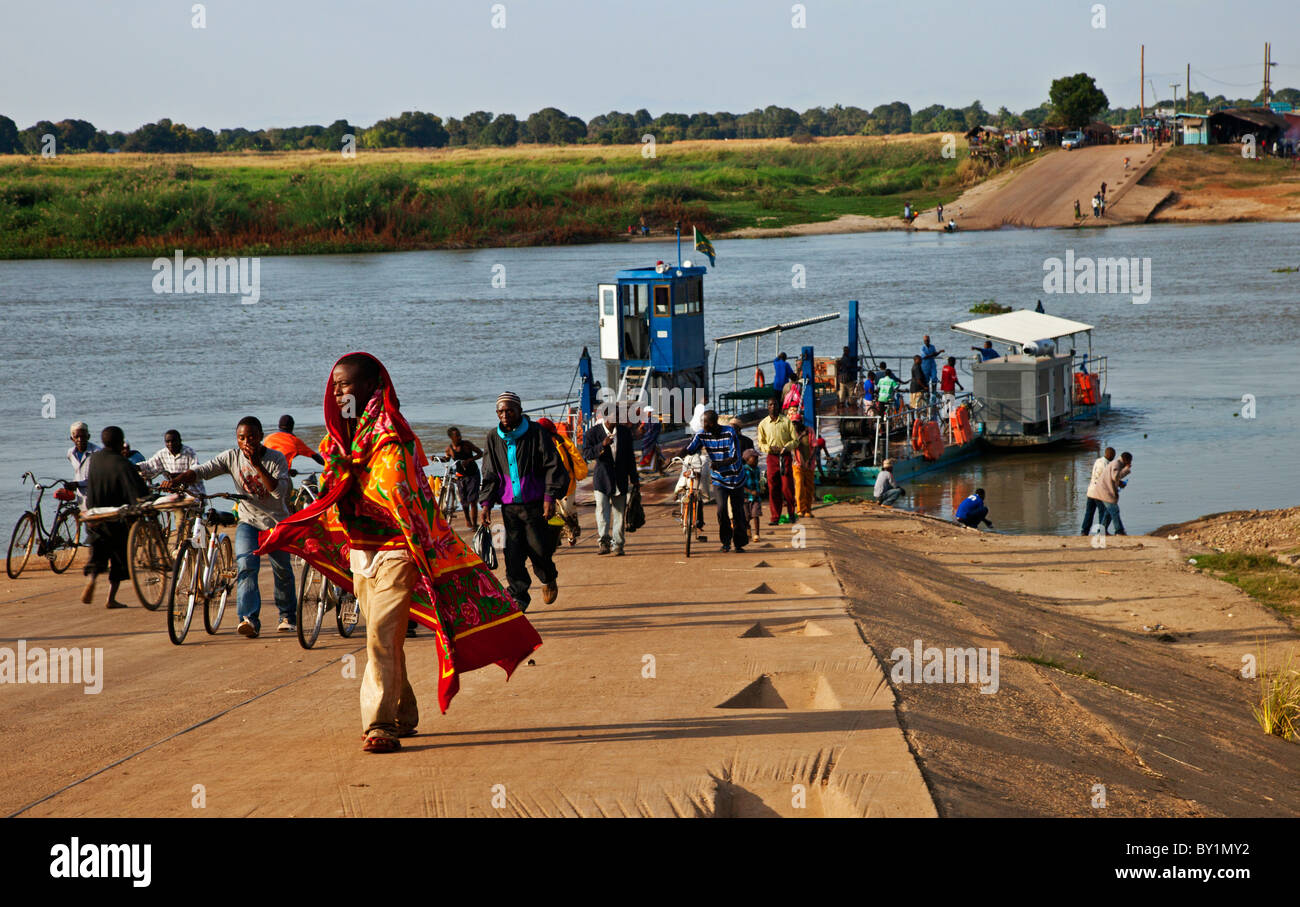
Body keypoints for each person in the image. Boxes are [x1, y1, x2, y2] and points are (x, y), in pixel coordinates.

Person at [257, 353, 541, 753]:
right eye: (334, 384)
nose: (336, 391)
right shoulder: (337, 437)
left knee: (379, 637)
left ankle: (379, 725)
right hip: (361, 552)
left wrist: (354, 481)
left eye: (345, 384)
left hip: (397, 549)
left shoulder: (393, 435)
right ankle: (404, 712)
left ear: (370, 387)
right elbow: (331, 486)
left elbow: (396, 488)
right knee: (386, 639)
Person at [165, 416, 297, 637]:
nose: (247, 442)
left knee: (282, 570)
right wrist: (178, 479)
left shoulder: (276, 459)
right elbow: (203, 470)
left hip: (277, 522)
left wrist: (256, 465)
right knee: (246, 565)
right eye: (241, 438)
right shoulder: (232, 457)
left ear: (261, 437)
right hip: (248, 520)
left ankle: (287, 616)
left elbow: (277, 491)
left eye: (252, 437)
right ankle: (248, 619)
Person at [480, 392, 568, 610]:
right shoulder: (493, 437)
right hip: (510, 508)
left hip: (536, 505)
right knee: (513, 553)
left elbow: (552, 466)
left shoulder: (536, 433)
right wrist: (486, 504)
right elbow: (490, 473)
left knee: (539, 550)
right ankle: (519, 595)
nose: (504, 415)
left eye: (509, 410)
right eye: (500, 411)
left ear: (519, 410)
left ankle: (548, 577)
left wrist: (549, 497)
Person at [80, 426, 150, 609]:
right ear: (120, 442)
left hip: (95, 517)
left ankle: (92, 580)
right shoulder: (122, 463)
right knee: (119, 561)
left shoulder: (95, 458)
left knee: (98, 555)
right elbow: (137, 491)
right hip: (116, 519)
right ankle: (111, 598)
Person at [682, 410, 749, 553]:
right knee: (721, 509)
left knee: (737, 511)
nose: (702, 425)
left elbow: (734, 457)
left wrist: (718, 464)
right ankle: (725, 542)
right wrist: (676, 456)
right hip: (719, 479)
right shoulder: (702, 434)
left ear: (712, 423)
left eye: (705, 422)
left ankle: (739, 543)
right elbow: (689, 449)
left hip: (736, 478)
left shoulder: (730, 432)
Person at [581, 409, 638, 556]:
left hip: (620, 479)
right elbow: (587, 454)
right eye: (616, 415)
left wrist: (635, 478)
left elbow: (630, 457)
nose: (619, 418)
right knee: (602, 513)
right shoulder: (593, 433)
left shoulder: (625, 433)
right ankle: (603, 543)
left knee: (619, 513)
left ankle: (618, 545)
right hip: (602, 479)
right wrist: (602, 445)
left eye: (620, 416)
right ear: (606, 417)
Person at [755, 398, 797, 525]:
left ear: (779, 407)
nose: (773, 406)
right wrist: (769, 448)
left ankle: (791, 514)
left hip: (785, 456)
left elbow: (795, 440)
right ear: (767, 407)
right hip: (771, 457)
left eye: (775, 404)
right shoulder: (763, 424)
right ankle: (775, 517)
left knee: (787, 487)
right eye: (770, 405)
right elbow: (761, 443)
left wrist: (786, 447)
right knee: (773, 488)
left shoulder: (786, 421)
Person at [542, 420, 584, 547]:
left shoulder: (564, 443)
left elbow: (576, 458)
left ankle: (571, 534)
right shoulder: (540, 444)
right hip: (548, 486)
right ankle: (556, 537)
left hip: (566, 484)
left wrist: (580, 473)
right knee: (553, 513)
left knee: (567, 511)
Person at [138, 430, 206, 495]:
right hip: (176, 495)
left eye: (173, 441)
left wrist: (178, 478)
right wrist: (134, 467)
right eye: (168, 442)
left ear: (180, 441)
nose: (170, 444)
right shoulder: (162, 454)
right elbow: (149, 466)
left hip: (193, 493)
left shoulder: (189, 452)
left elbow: (196, 470)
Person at [442, 426, 484, 531]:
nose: (459, 437)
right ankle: (467, 519)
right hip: (460, 477)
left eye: (459, 435)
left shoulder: (467, 445)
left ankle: (474, 524)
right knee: (464, 501)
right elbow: (446, 459)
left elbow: (480, 453)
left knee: (473, 500)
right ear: (451, 438)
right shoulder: (449, 449)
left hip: (473, 474)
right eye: (457, 436)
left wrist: (470, 459)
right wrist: (436, 458)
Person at [1093, 451, 1132, 536]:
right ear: (1126, 460)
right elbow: (1115, 476)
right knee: (1114, 510)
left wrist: (1120, 483)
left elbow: (1113, 478)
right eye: (1130, 462)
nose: (1130, 464)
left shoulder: (1117, 464)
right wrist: (1126, 470)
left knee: (1108, 512)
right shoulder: (1116, 464)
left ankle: (1101, 532)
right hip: (1104, 491)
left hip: (1104, 490)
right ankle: (1119, 531)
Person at [1081, 447, 1116, 535]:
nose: (1113, 458)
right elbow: (1107, 479)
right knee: (1103, 511)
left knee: (1089, 512)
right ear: (1110, 454)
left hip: (1091, 490)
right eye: (1113, 455)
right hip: (1099, 492)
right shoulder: (1106, 464)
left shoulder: (1098, 461)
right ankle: (1101, 531)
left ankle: (1084, 531)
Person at [66, 421, 99, 508]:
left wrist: (77, 484)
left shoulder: (96, 453)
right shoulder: (71, 453)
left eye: (83, 436)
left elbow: (97, 479)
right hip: (80, 496)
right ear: (72, 438)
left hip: (95, 496)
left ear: (88, 437)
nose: (80, 440)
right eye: (77, 437)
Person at [790, 414, 816, 518]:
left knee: (809, 488)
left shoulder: (810, 431)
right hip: (797, 464)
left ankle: (808, 510)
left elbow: (814, 446)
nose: (795, 425)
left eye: (796, 423)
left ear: (801, 422)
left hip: (809, 464)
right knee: (799, 485)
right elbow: (794, 444)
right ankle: (800, 509)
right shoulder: (793, 433)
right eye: (793, 423)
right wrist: (801, 436)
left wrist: (810, 460)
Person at [741, 448, 764, 540]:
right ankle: (748, 529)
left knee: (756, 514)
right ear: (747, 459)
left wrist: (761, 488)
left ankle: (757, 534)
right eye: (754, 459)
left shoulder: (757, 469)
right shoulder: (743, 470)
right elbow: (741, 485)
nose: (757, 461)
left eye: (757, 459)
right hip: (746, 497)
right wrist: (750, 492)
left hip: (756, 497)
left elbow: (758, 481)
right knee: (746, 516)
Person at [637, 406, 664, 473]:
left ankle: (661, 471)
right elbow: (641, 431)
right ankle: (639, 471)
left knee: (658, 456)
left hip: (652, 441)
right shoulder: (644, 421)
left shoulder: (654, 420)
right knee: (646, 456)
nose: (650, 413)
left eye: (650, 412)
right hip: (647, 442)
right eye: (649, 412)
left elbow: (656, 430)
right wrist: (641, 428)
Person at [836, 346, 858, 412]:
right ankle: (851, 403)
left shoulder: (842, 358)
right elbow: (849, 366)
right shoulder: (846, 359)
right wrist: (857, 368)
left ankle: (841, 403)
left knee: (842, 391)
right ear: (847, 351)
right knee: (851, 391)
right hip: (847, 378)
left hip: (841, 379)